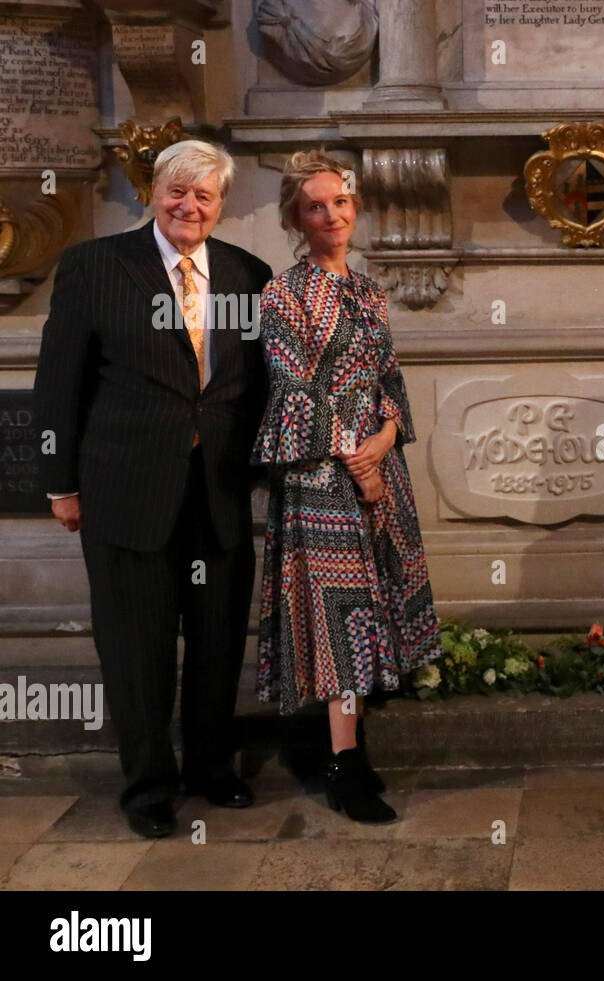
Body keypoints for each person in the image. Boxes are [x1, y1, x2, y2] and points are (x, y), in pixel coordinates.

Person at [34, 140, 270, 838]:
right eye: (177, 191)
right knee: (136, 650)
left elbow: (258, 385)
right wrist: (60, 484)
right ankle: (147, 789)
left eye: (204, 195)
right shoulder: (95, 265)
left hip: (218, 491)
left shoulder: (248, 275)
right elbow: (58, 383)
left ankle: (210, 767)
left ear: (220, 204)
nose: (189, 205)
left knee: (219, 639)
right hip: (124, 491)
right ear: (153, 192)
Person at [254, 150, 440, 824]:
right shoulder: (283, 293)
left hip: (378, 466)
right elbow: (294, 387)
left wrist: (384, 443)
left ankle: (346, 747)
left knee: (376, 605)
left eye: (340, 202)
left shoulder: (367, 290)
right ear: (296, 218)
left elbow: (390, 378)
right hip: (319, 473)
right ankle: (343, 764)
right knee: (340, 612)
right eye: (315, 206)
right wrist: (351, 457)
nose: (332, 215)